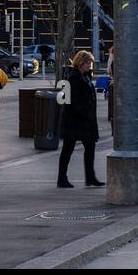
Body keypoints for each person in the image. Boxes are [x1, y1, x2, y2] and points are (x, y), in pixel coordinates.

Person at [57, 51, 102, 187]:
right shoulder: (73, 78)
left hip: (82, 119)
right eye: (88, 63)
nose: (90, 66)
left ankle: (90, 177)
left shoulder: (84, 76)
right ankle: (62, 178)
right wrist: (84, 111)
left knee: (88, 147)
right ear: (81, 63)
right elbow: (71, 100)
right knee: (68, 149)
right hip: (75, 119)